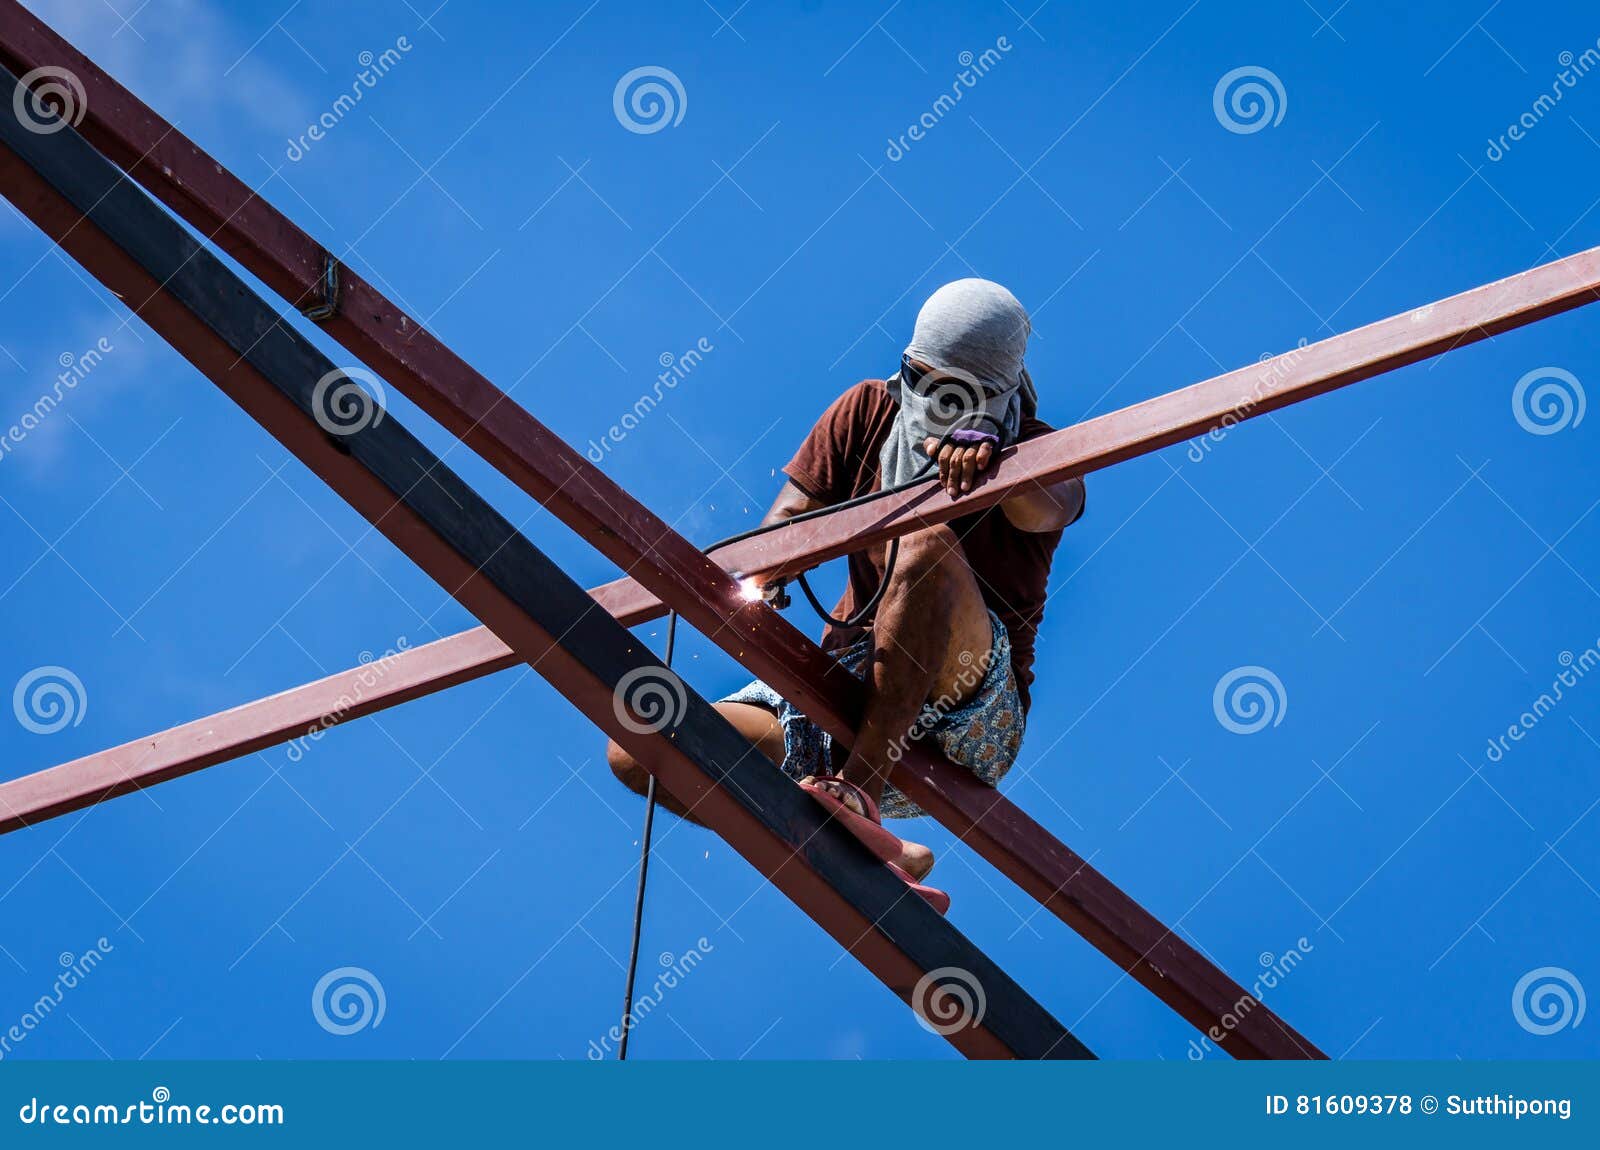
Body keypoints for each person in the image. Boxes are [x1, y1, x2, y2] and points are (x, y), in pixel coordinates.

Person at [606, 278, 1085, 911]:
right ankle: (860, 839)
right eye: (925, 378)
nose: (937, 401)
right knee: (641, 744)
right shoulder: (867, 410)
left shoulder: (1037, 452)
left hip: (964, 716)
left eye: (962, 392)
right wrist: (766, 568)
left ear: (1003, 394)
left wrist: (1003, 463)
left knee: (922, 543)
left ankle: (859, 795)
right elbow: (787, 521)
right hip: (843, 696)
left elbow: (1054, 503)